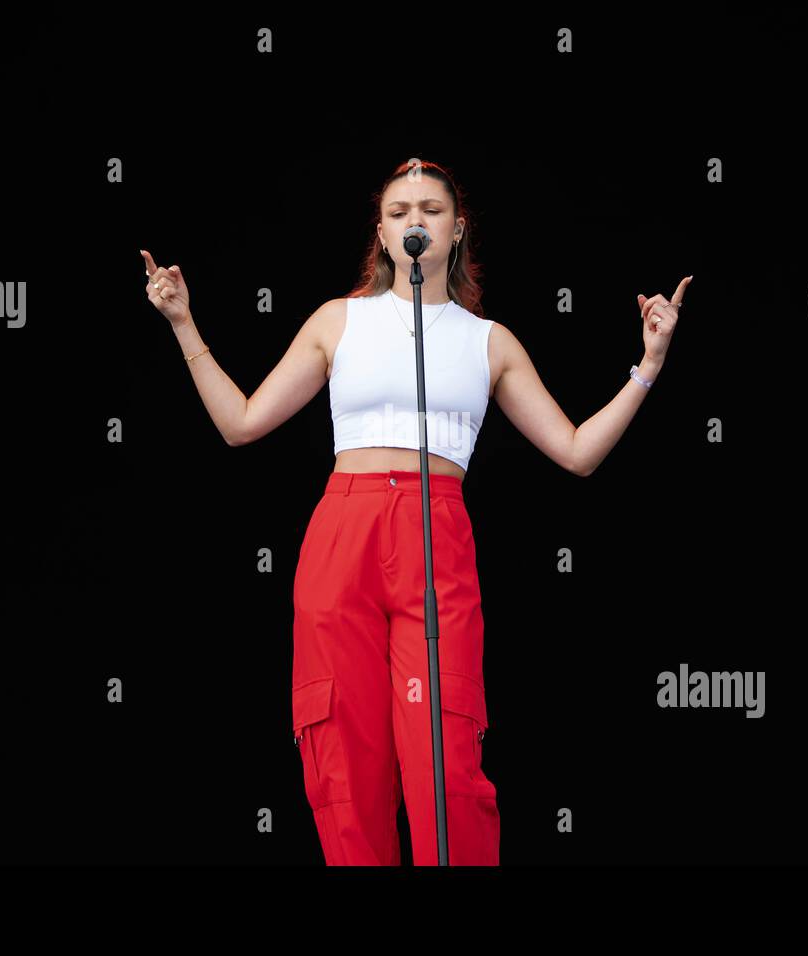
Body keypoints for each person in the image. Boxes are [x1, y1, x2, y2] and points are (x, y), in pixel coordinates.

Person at [141, 159, 691, 865]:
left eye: (431, 210)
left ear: (457, 230)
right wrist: (185, 324)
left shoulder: (486, 341)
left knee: (446, 759)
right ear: (380, 232)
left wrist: (648, 362)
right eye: (399, 211)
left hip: (436, 538)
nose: (415, 222)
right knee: (344, 754)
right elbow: (241, 423)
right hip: (344, 534)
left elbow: (577, 451)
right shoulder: (338, 321)